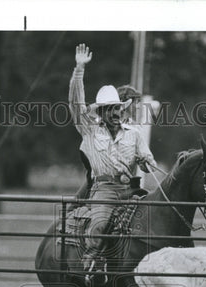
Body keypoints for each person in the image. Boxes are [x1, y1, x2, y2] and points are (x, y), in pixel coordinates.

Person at [69, 43, 156, 273]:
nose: (116, 112)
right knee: (99, 223)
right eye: (110, 109)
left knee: (156, 219)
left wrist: (148, 163)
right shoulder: (89, 130)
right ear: (101, 112)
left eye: (118, 108)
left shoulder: (134, 134)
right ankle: (91, 264)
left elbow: (147, 159)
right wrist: (79, 69)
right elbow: (75, 104)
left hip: (131, 190)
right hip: (104, 189)